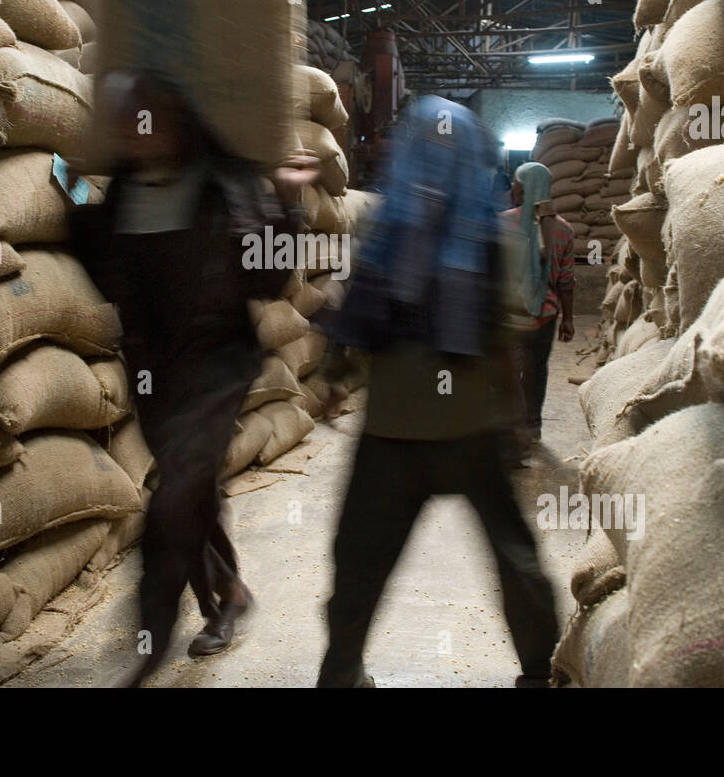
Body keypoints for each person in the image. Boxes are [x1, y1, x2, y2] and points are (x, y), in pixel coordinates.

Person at [69, 70, 318, 686]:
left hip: (220, 363)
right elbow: (109, 281)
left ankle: (150, 640)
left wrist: (287, 203)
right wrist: (74, 205)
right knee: (194, 489)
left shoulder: (231, 184)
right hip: (154, 370)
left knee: (176, 491)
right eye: (126, 122)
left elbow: (269, 282)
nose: (136, 133)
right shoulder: (124, 195)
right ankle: (229, 593)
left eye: (147, 119)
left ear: (178, 123)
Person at [315, 95, 560, 688]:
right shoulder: (474, 232)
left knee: (365, 560)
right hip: (449, 429)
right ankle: (540, 670)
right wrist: (515, 419)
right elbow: (502, 337)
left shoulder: (398, 226)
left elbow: (361, 312)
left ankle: (345, 669)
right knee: (503, 556)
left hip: (412, 432)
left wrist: (335, 375)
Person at [502, 161, 575, 444]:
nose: (512, 190)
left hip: (510, 317)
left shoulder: (502, 222)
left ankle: (511, 430)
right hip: (546, 316)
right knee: (536, 370)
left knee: (509, 372)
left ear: (521, 188)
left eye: (515, 185)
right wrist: (567, 319)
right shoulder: (563, 230)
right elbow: (566, 281)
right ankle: (532, 426)